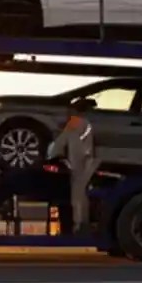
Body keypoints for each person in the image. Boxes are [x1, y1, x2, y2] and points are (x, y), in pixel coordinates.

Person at [46, 98, 99, 235]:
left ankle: (80, 225)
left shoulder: (76, 122)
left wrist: (50, 156)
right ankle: (83, 223)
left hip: (79, 164)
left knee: (78, 195)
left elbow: (60, 142)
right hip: (89, 162)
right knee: (83, 194)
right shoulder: (91, 122)